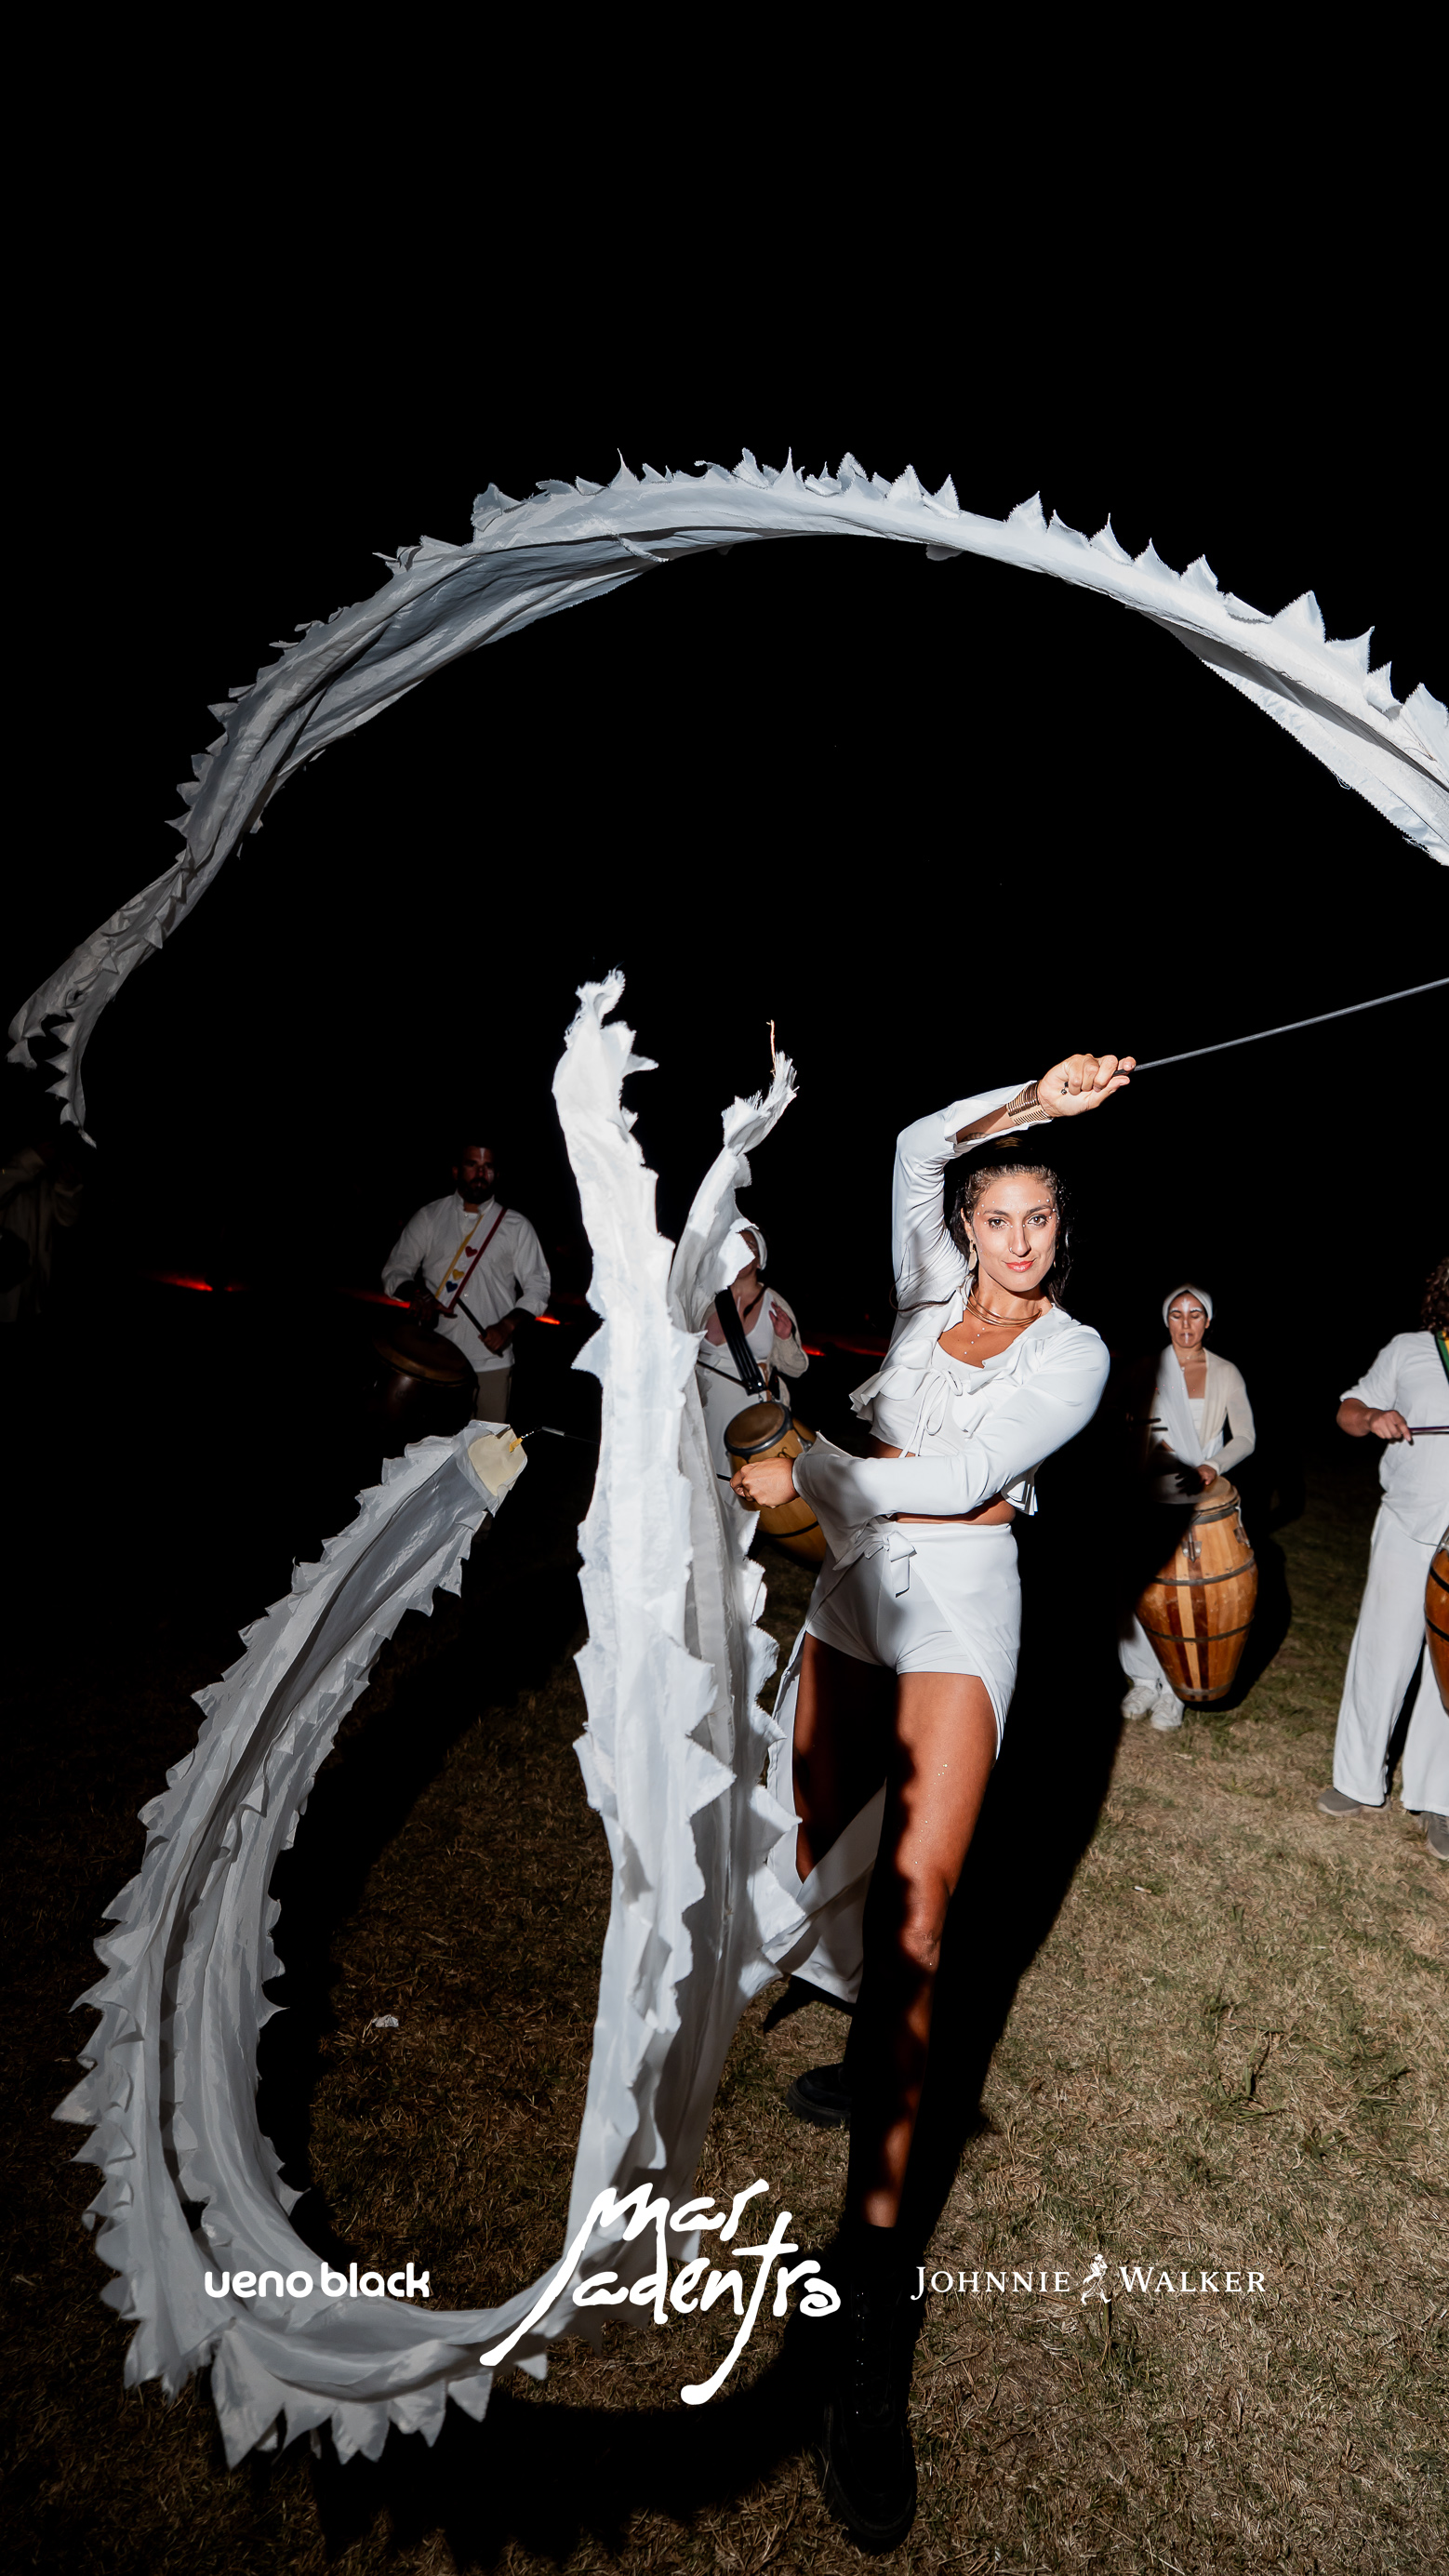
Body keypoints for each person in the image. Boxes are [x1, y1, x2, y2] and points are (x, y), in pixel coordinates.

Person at [732, 1049, 1133, 2550]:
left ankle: (867, 2331)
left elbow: (958, 1470)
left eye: (1038, 1219)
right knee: (803, 1841)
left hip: (959, 1606)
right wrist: (1036, 1095)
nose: (1016, 1240)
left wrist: (808, 1468)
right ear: (965, 1224)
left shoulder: (1075, 1354)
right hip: (852, 1594)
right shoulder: (918, 1296)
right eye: (995, 1215)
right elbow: (911, 1137)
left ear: (1058, 1235)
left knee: (917, 1923)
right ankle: (860, 2039)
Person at [1318, 1255, 1449, 1861]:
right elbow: (1348, 1410)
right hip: (1405, 1524)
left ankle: (1439, 1799)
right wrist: (1373, 1417)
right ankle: (1357, 1780)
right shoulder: (1409, 1349)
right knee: (1383, 1652)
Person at [1118, 1284, 1256, 1731]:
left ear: (1208, 1322)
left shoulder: (1226, 1373)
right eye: (1176, 1314)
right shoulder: (1146, 1369)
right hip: (1149, 1493)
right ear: (1166, 1321)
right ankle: (1143, 1678)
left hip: (1198, 1498)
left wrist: (1212, 1466)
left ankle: (1174, 1687)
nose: (1186, 1323)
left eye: (1195, 1314)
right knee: (1141, 1589)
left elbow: (1246, 1437)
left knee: (1188, 1595)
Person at [381, 1139, 550, 1423]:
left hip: (492, 1362)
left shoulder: (516, 1226)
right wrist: (417, 1293)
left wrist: (507, 1325)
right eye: (472, 1165)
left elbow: (539, 1287)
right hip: (434, 1357)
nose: (481, 1174)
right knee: (433, 1444)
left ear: (497, 1174)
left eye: (488, 1167)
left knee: (486, 1448)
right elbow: (395, 1272)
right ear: (456, 1171)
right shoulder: (429, 1217)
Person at [695, 1223, 808, 1483]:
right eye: (735, 1246)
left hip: (753, 1411)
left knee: (745, 1485)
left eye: (749, 1246)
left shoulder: (774, 1303)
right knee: (706, 1482)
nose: (742, 1251)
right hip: (706, 1407)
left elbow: (796, 1368)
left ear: (760, 1258)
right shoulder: (703, 1299)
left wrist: (785, 1337)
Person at [0, 1134, 84, 1324]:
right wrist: (30, 1159)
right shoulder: (12, 1165)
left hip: (34, 1297)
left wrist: (67, 1186)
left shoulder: (44, 1176)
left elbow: (67, 1219)